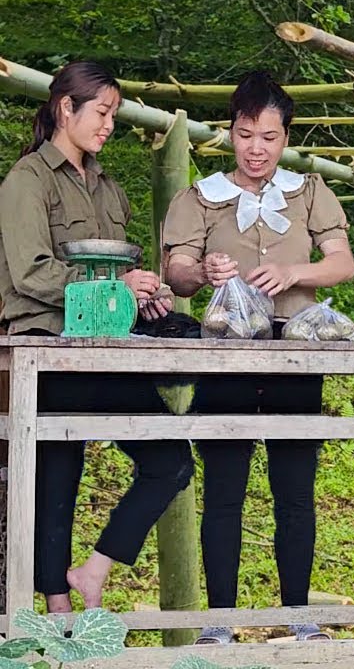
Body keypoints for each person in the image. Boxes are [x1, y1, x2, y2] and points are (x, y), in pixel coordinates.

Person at [163, 71, 354, 644]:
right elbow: (176, 271)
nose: (256, 149)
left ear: (285, 137)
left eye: (269, 137)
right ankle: (217, 622)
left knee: (294, 489)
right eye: (245, 135)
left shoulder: (311, 192)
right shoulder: (199, 198)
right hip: (226, 354)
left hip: (297, 353)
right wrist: (204, 272)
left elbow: (341, 263)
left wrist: (298, 271)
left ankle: (300, 615)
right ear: (229, 133)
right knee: (224, 489)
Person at [0, 60, 194, 612]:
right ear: (67, 108)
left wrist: (144, 296)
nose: (109, 124)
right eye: (102, 112)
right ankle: (57, 616)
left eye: (114, 113)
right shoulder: (26, 181)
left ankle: (94, 570)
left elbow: (117, 275)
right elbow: (32, 273)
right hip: (47, 348)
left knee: (171, 461)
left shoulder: (108, 188)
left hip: (106, 349)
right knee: (55, 486)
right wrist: (116, 285)